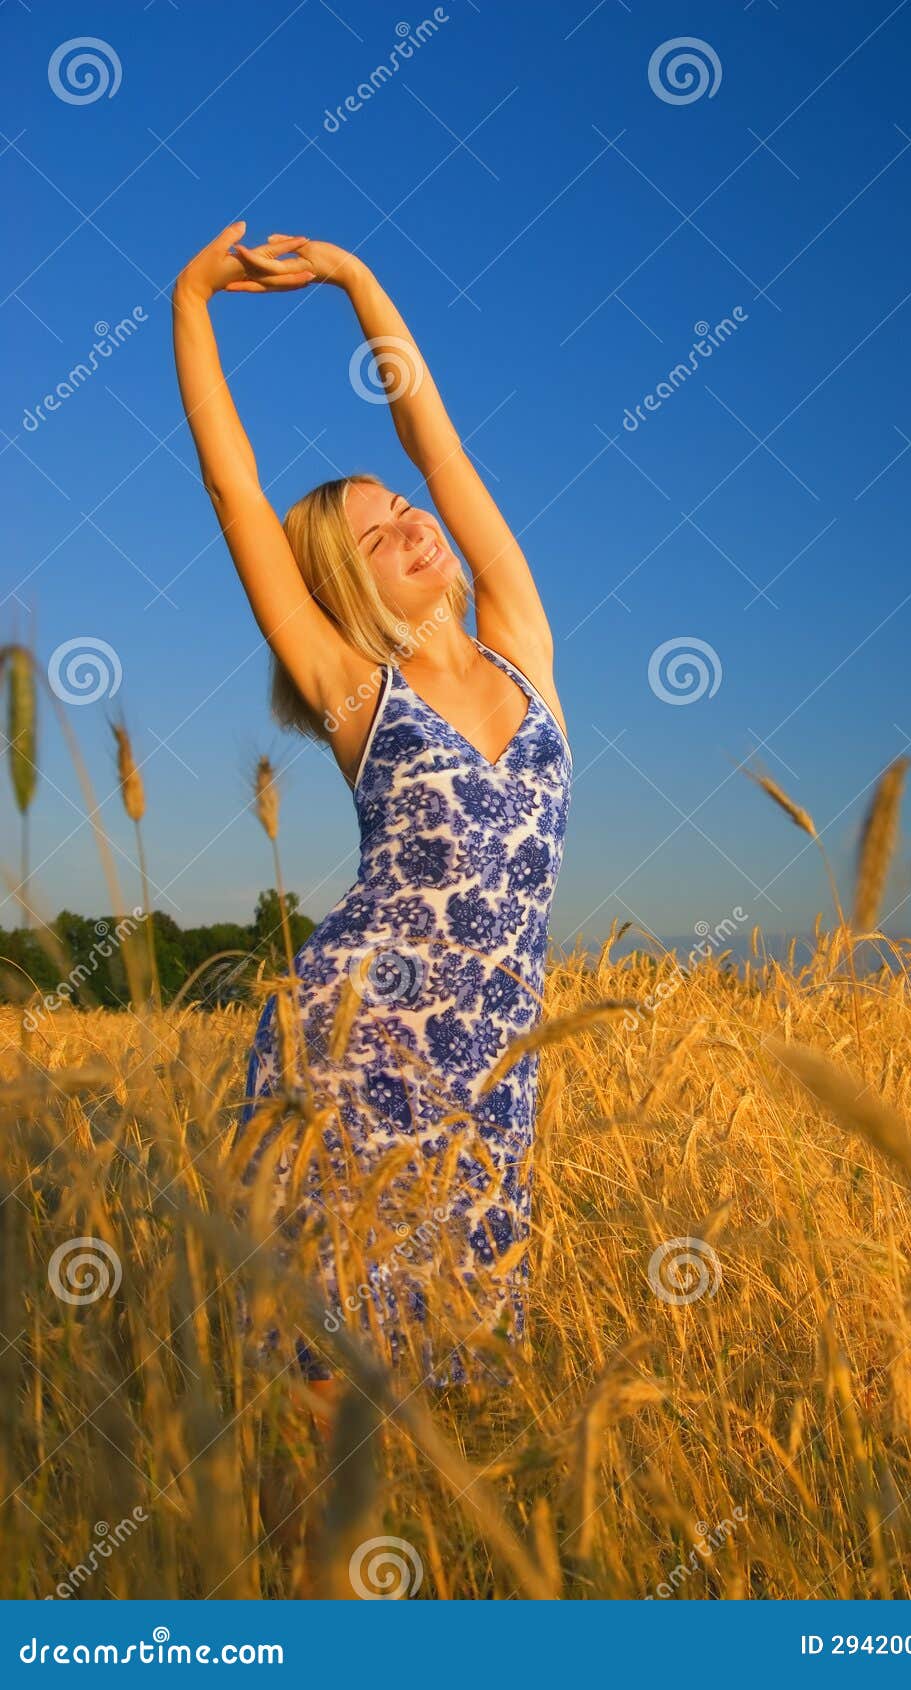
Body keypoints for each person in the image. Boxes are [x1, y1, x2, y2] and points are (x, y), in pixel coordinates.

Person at [171, 223, 571, 1392]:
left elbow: (435, 448)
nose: (412, 526)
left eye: (405, 510)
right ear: (345, 585)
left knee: (469, 1376)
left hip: (496, 1066)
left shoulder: (524, 648)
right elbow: (233, 491)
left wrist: (356, 280)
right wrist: (193, 298)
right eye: (377, 536)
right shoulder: (357, 694)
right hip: (356, 1052)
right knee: (332, 1379)